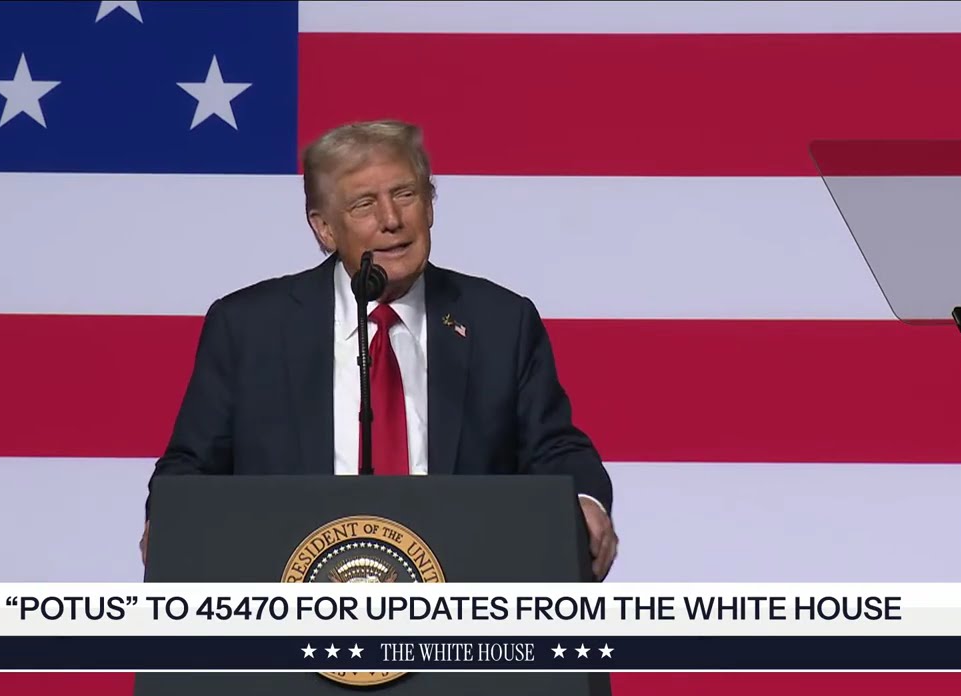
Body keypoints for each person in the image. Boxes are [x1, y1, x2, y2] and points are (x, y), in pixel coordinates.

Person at [141, 120, 618, 580]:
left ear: (430, 206)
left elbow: (555, 447)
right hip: (294, 614)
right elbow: (190, 466)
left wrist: (585, 501)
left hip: (459, 611)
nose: (391, 220)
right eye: (364, 204)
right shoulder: (249, 328)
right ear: (324, 228)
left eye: (406, 195)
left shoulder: (499, 321)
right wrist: (170, 520)